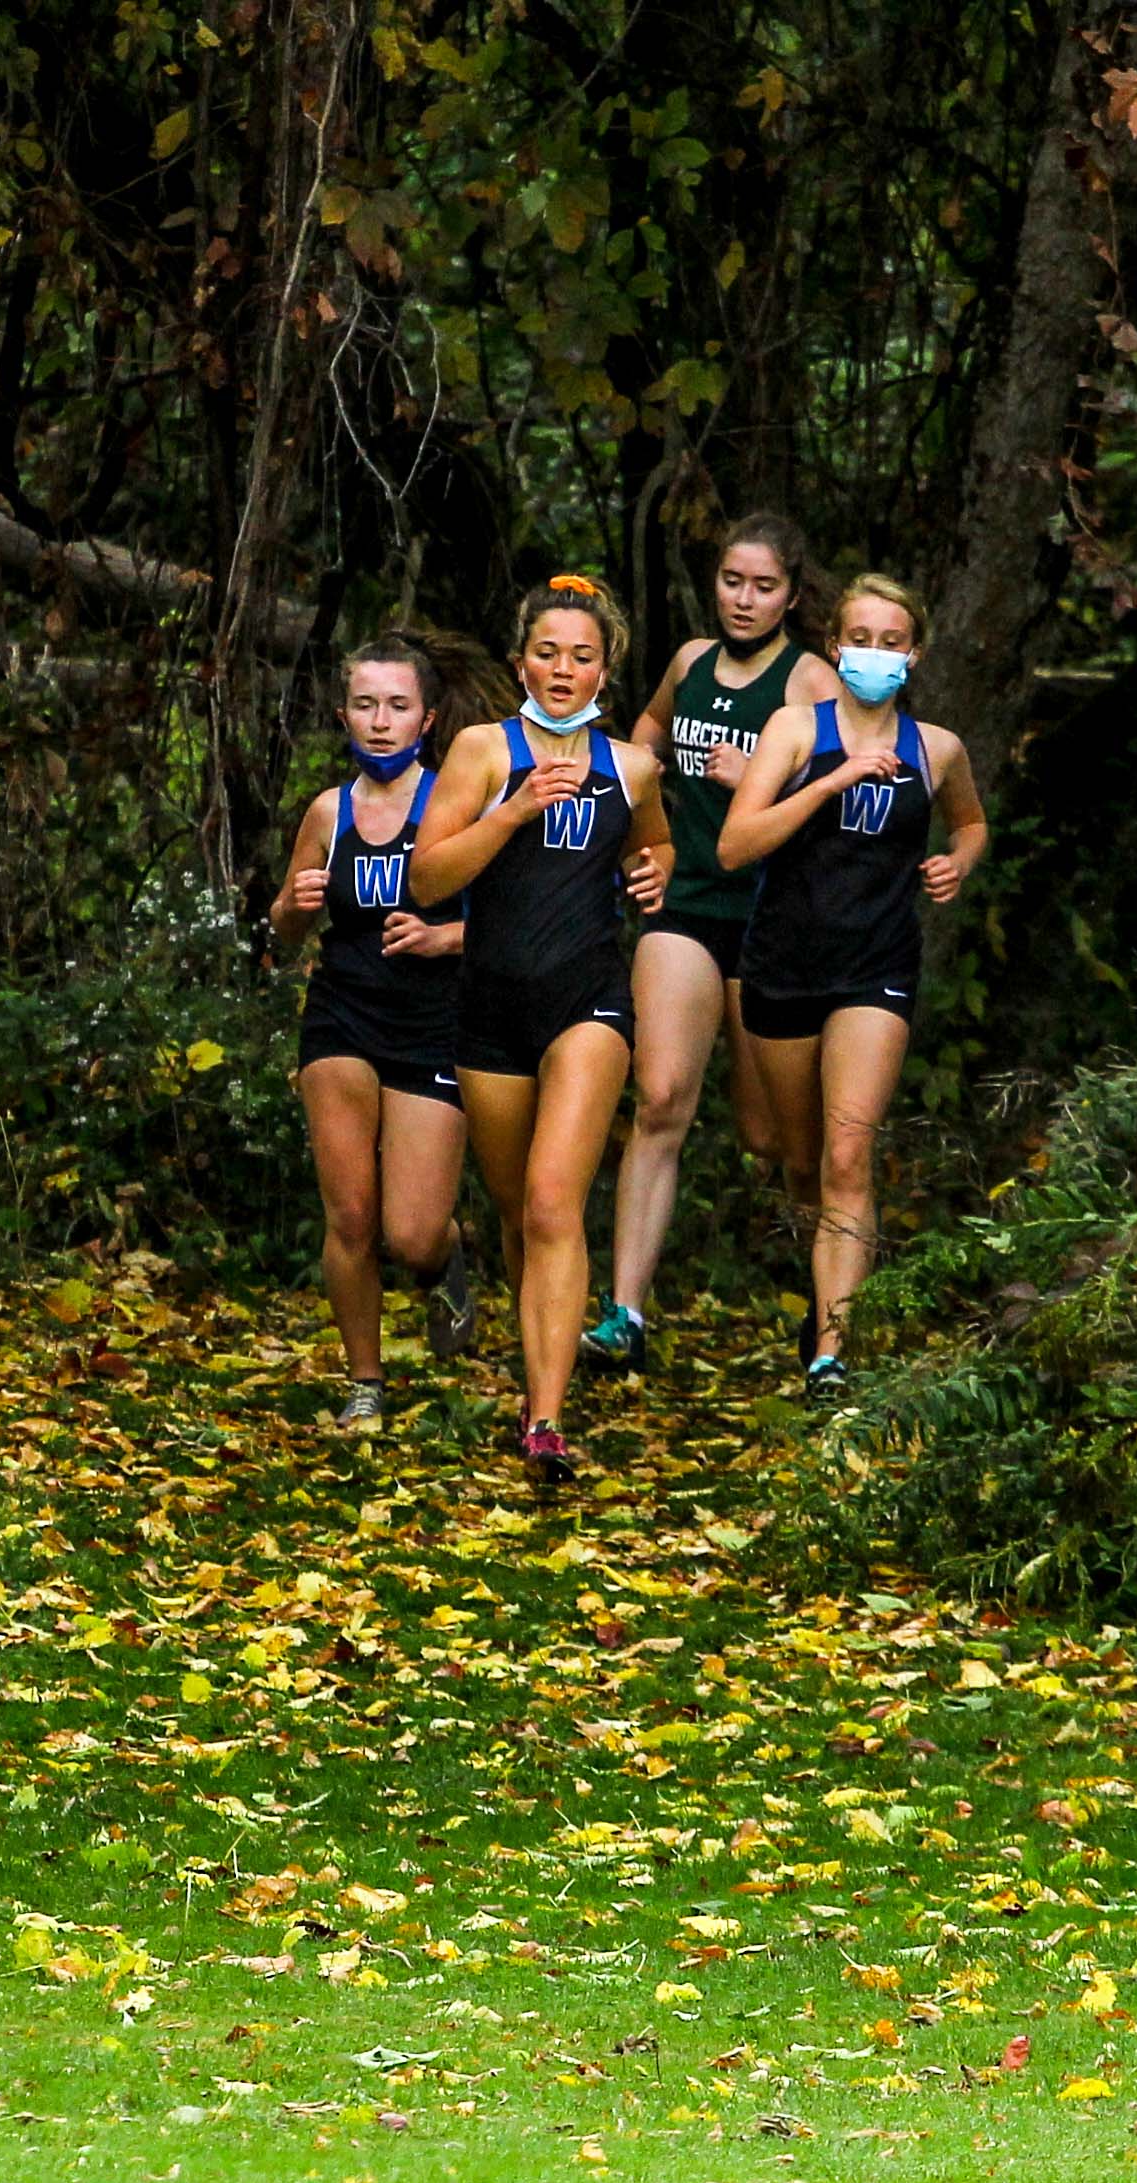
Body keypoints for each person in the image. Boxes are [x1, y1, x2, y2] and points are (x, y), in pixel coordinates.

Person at [411, 575, 672, 1485]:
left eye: (584, 655)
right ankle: (538, 1373)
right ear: (522, 658)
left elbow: (658, 843)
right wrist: (514, 809)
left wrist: (655, 875)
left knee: (558, 1199)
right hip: (491, 1005)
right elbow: (427, 879)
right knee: (522, 1210)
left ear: (608, 668)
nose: (564, 669)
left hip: (588, 1002)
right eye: (549, 652)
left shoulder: (631, 767)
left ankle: (548, 1422)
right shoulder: (484, 750)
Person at [717, 571, 990, 1398]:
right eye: (860, 639)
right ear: (836, 649)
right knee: (801, 1161)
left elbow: (972, 821)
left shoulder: (935, 748)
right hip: (784, 965)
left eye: (892, 641)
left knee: (846, 1153)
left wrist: (956, 862)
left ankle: (833, 1355)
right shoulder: (796, 728)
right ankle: (822, 1300)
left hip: (877, 968)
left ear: (915, 654)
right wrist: (833, 780)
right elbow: (736, 845)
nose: (875, 653)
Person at [583, 516, 844, 1375]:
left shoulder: (809, 677)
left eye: (763, 585)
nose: (744, 598)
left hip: (771, 918)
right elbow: (644, 741)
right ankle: (625, 1314)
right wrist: (638, 839)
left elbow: (849, 785)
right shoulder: (692, 661)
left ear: (793, 597)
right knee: (658, 1098)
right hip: (688, 904)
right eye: (733, 580)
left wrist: (773, 776)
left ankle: (827, 1320)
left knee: (778, 1143)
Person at [267, 633, 491, 1432]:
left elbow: (509, 922)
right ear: (343, 715)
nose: (381, 720)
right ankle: (366, 1380)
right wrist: (293, 906)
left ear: (427, 719)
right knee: (352, 1216)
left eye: (398, 706)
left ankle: (449, 1256)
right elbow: (284, 929)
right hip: (342, 1017)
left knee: (409, 1230)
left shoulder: (459, 802)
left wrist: (444, 937)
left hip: (434, 1022)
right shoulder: (330, 811)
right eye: (366, 705)